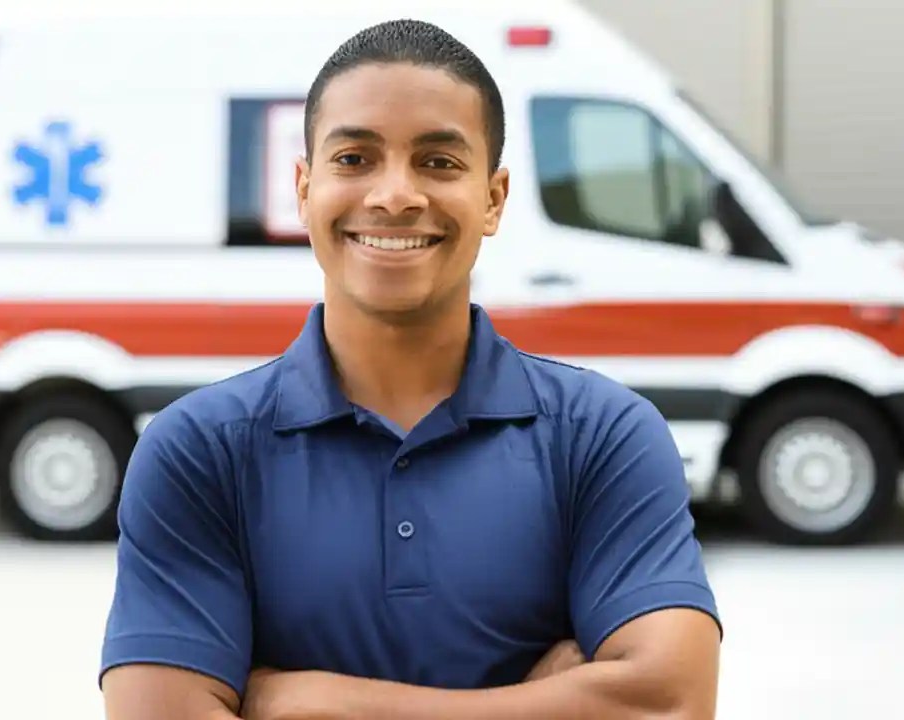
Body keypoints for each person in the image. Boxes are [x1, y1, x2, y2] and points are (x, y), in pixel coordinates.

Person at [99, 18, 722, 720]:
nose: (395, 194)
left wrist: (317, 703)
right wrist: (538, 703)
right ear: (304, 189)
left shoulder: (603, 435)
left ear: (493, 198)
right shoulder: (198, 451)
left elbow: (668, 705)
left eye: (439, 162)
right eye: (355, 159)